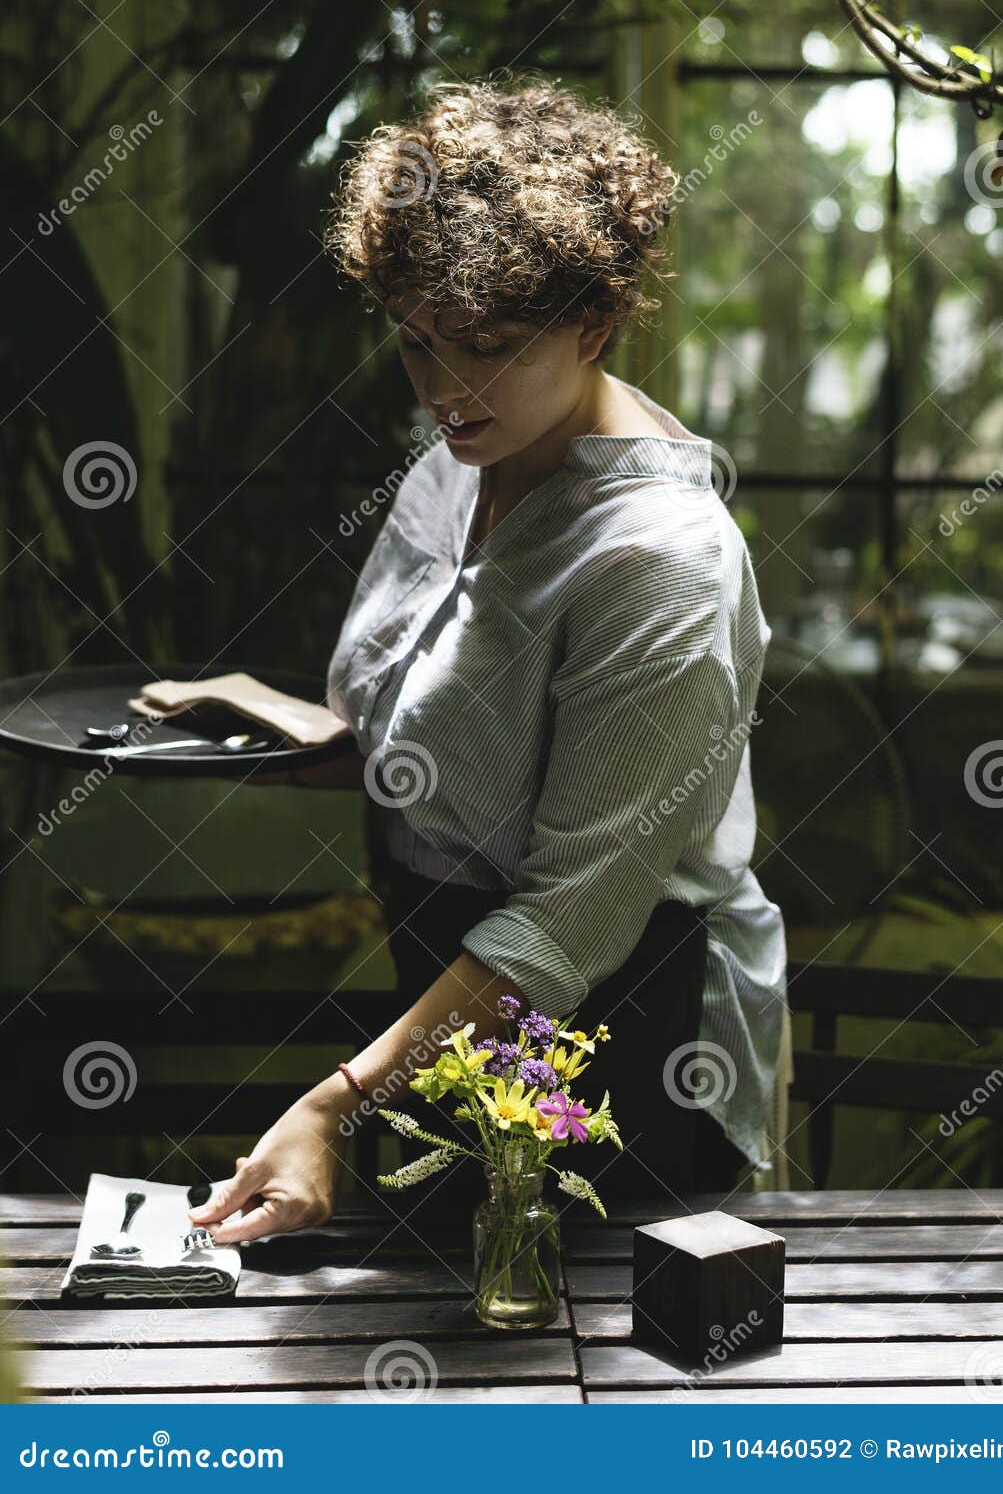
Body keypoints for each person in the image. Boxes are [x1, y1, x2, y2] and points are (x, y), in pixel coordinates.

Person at [190, 78, 787, 1247]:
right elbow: (437, 739)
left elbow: (566, 925)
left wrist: (338, 1104)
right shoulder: (461, 455)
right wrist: (273, 724)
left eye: (491, 349)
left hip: (625, 1029)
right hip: (453, 999)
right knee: (459, 1342)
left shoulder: (658, 562)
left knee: (605, 1375)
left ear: (597, 325)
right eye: (416, 342)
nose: (443, 389)